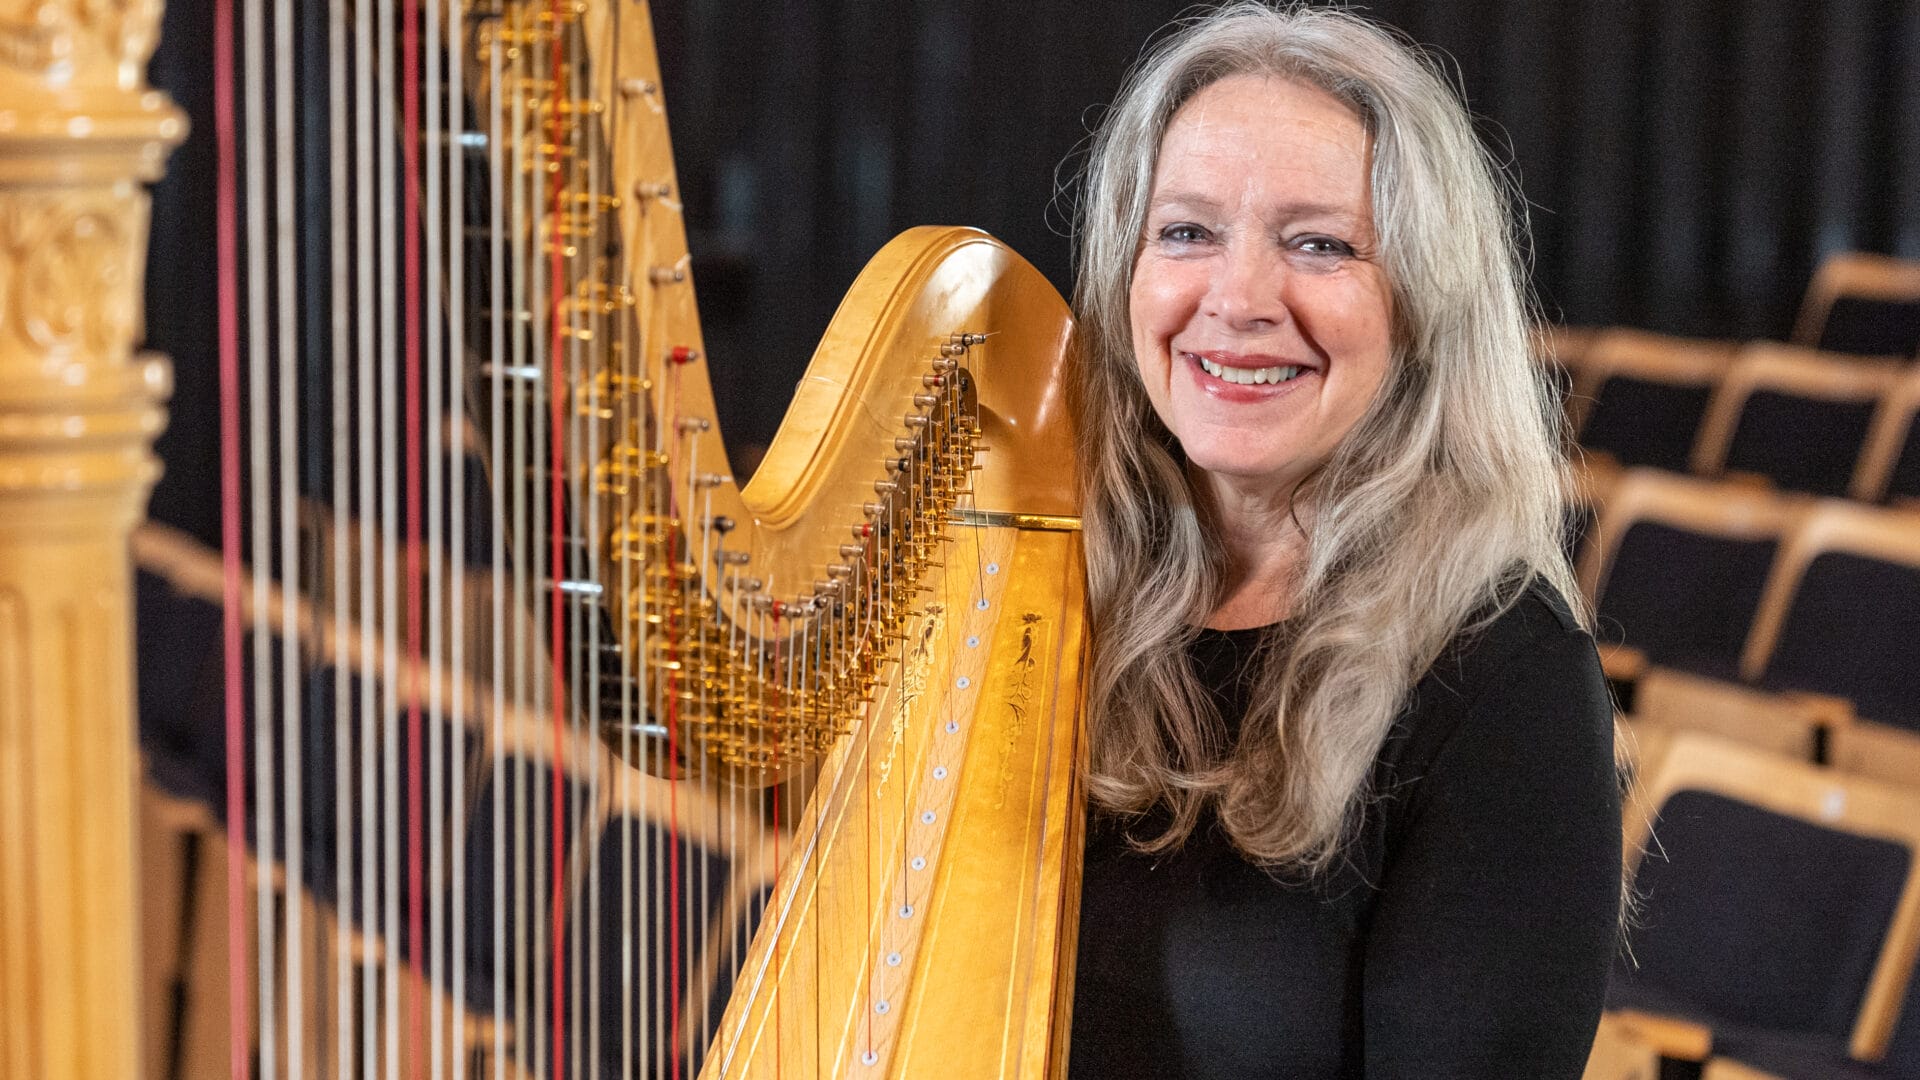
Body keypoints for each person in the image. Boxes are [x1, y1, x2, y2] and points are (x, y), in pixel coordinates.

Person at [1065, 4, 1622, 1077]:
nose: (1237, 298)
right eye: (1186, 231)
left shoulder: (1505, 684)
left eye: (1318, 244)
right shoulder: (1054, 596)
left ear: (1423, 304)